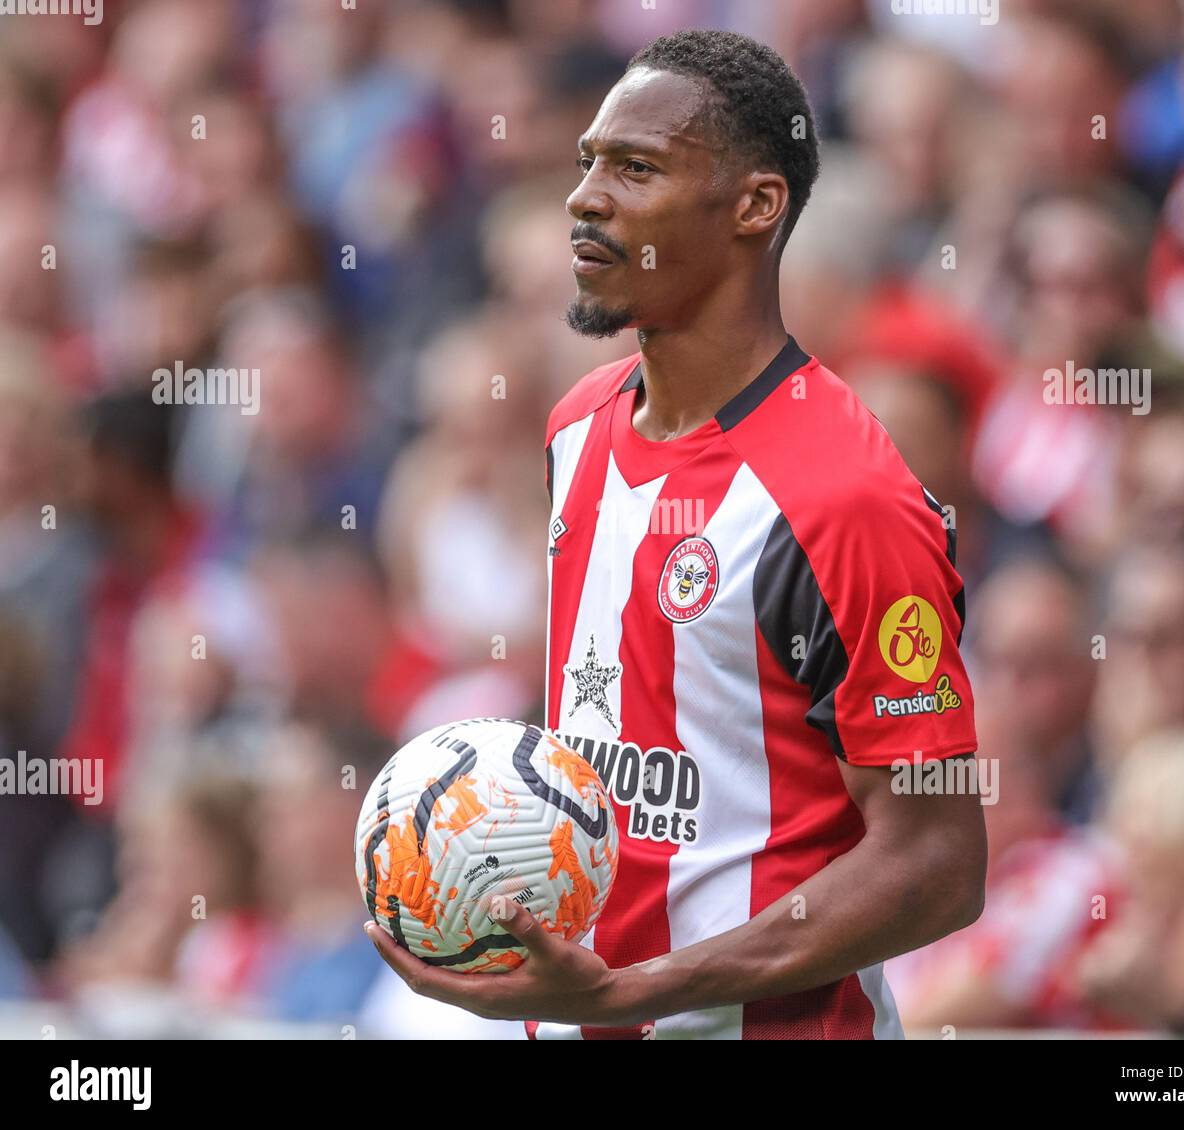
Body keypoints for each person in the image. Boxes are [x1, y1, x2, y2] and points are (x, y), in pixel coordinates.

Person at [365, 27, 985, 1040]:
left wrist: (634, 992)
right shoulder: (577, 426)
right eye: (587, 164)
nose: (584, 196)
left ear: (755, 205)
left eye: (635, 167)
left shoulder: (846, 498)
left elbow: (938, 864)